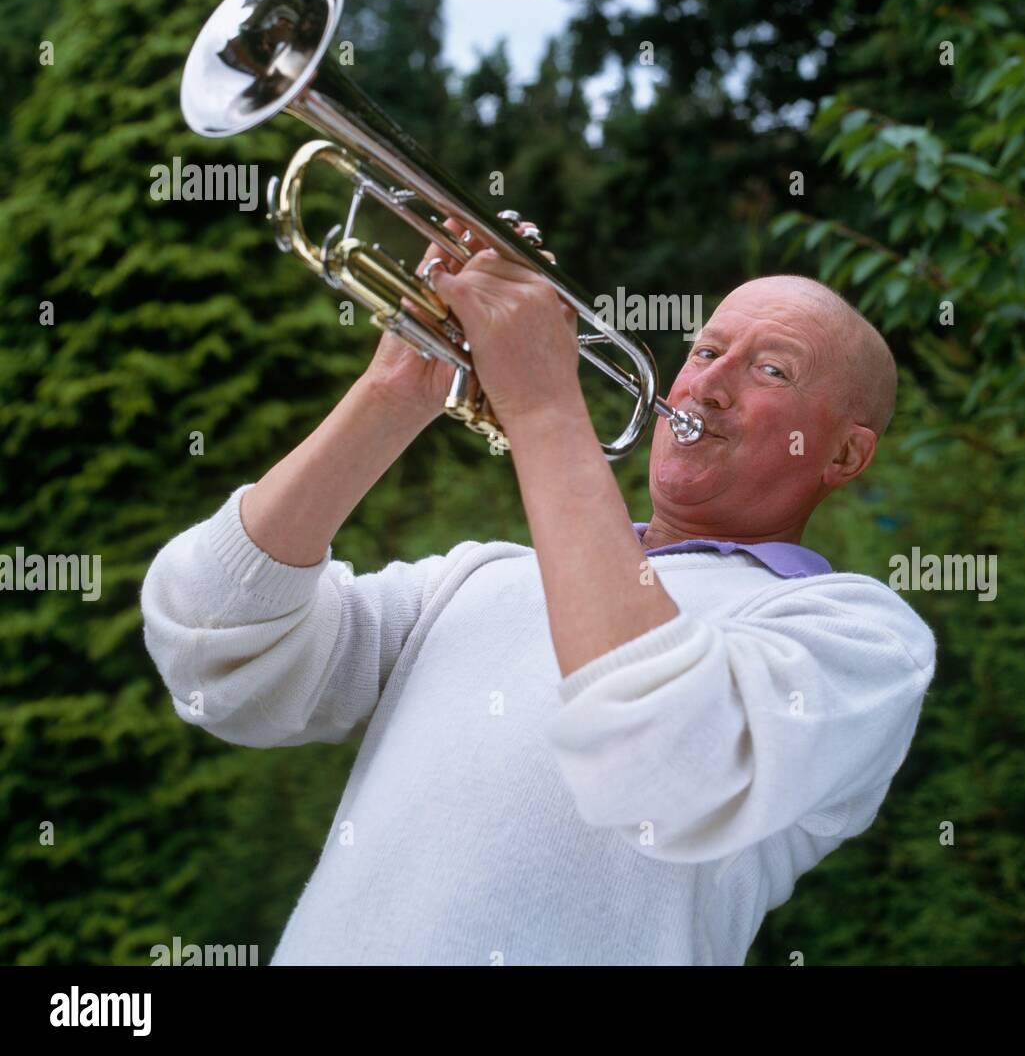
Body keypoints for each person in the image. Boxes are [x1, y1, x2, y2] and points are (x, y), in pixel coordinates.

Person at [139, 217, 936, 965]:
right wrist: (393, 392)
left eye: (770, 370)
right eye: (705, 351)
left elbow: (660, 754)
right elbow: (216, 650)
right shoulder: (481, 577)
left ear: (844, 456)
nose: (708, 385)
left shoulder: (859, 635)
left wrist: (544, 402)